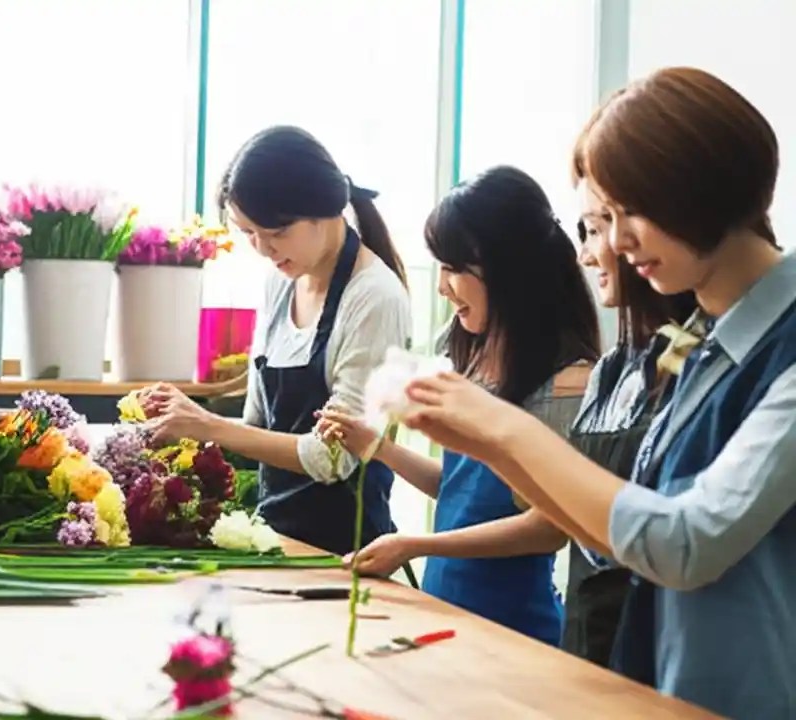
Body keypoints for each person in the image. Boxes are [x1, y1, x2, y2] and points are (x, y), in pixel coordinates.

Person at [397, 67, 793, 719]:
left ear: (710, 187)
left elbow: (686, 545)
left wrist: (504, 430)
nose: (611, 243)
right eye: (603, 218)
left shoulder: (776, 345)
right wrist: (484, 441)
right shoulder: (698, 343)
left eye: (629, 211)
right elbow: (611, 537)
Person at [318, 165, 601, 647]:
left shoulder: (570, 383)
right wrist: (377, 448)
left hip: (514, 633)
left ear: (506, 271)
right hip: (447, 615)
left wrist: (416, 544)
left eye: (452, 269)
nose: (442, 286)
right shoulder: (474, 366)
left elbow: (546, 527)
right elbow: (461, 491)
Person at [140, 125, 412, 556]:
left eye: (276, 232)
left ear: (324, 211)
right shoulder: (281, 283)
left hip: (348, 557)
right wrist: (180, 435)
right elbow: (257, 426)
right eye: (247, 232)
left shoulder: (374, 297)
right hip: (277, 542)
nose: (262, 248)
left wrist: (207, 424)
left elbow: (333, 458)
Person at [560, 164, 697, 665]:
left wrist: (500, 433)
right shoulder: (611, 369)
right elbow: (573, 522)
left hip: (650, 652)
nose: (592, 250)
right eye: (591, 229)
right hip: (583, 639)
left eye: (597, 229)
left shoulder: (694, 369)